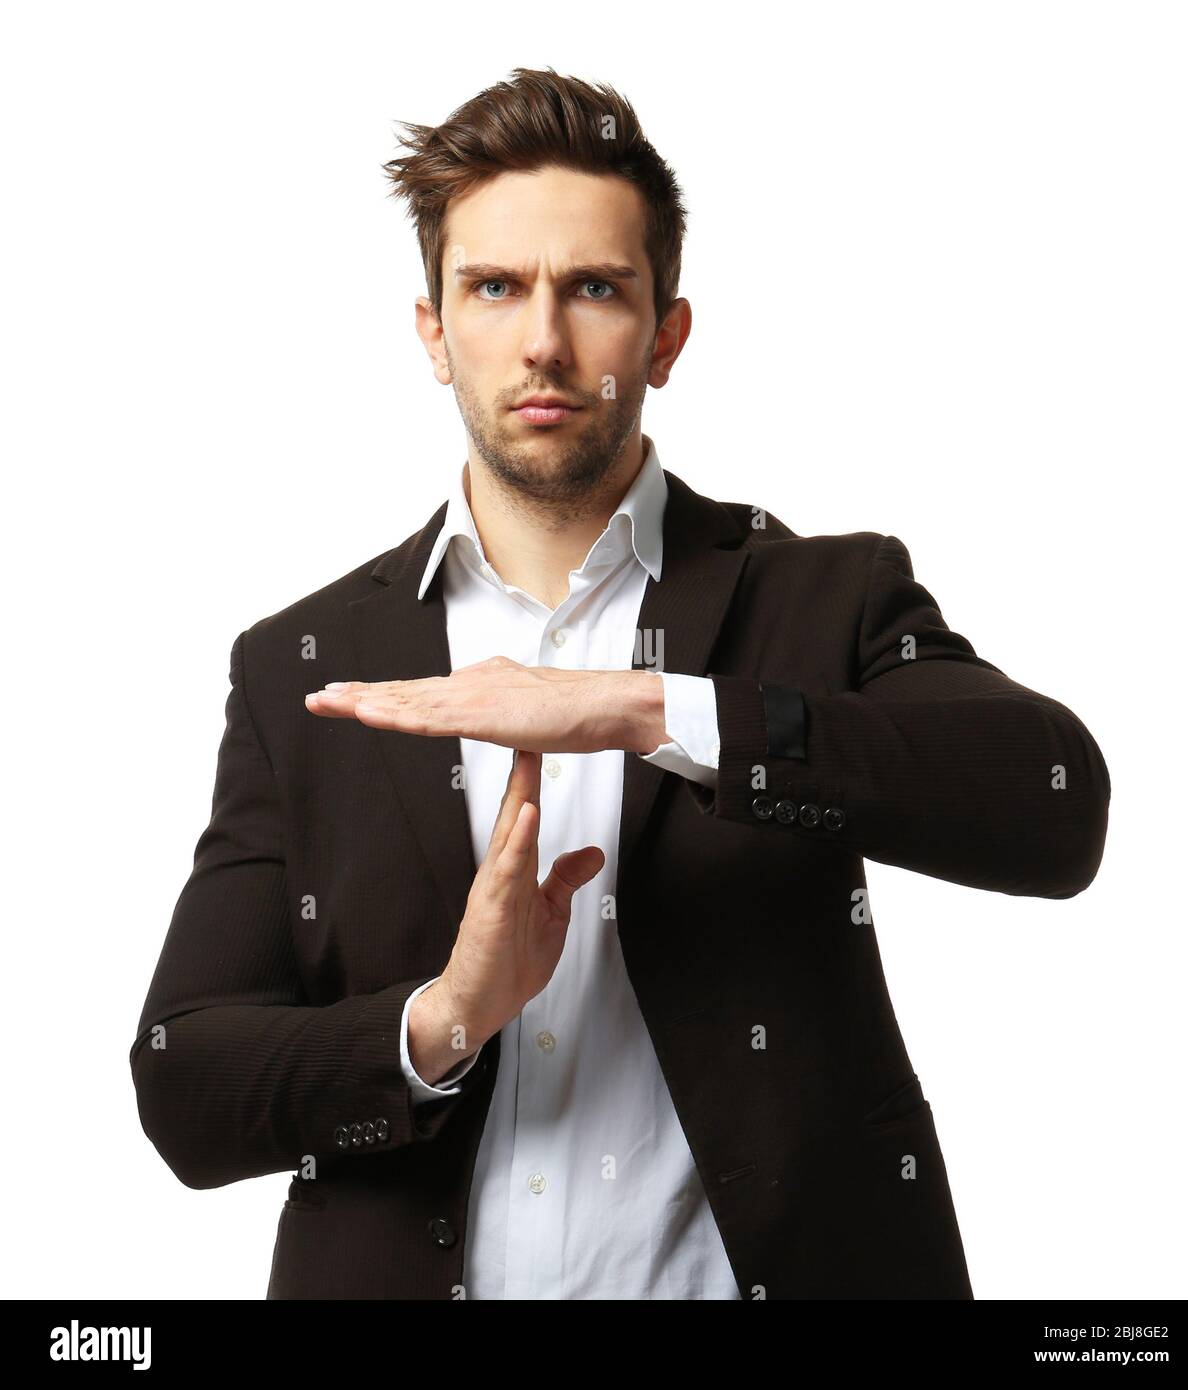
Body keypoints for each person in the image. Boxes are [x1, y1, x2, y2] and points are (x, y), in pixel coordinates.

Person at [130, 66, 1110, 1300]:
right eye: (492, 288)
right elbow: (183, 1081)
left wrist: (652, 710)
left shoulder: (825, 594)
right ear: (433, 331)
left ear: (666, 334)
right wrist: (440, 1018)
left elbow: (1055, 801)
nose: (542, 340)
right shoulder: (306, 666)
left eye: (593, 288)